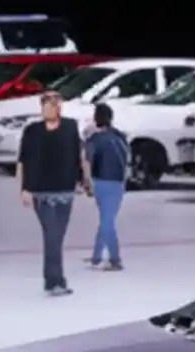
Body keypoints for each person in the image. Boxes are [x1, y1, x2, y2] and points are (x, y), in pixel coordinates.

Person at [18, 90, 92, 297]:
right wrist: (24, 188)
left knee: (57, 237)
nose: (51, 107)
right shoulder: (32, 131)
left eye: (55, 103)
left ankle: (54, 279)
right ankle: (54, 281)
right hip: (41, 192)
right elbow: (24, 160)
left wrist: (85, 180)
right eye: (47, 104)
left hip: (65, 190)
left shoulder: (70, 127)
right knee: (51, 236)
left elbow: (77, 155)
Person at [83, 102, 129, 271]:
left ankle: (115, 259)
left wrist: (86, 182)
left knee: (106, 221)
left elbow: (87, 161)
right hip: (118, 181)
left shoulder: (94, 139)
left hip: (100, 181)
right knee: (106, 219)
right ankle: (96, 256)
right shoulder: (120, 136)